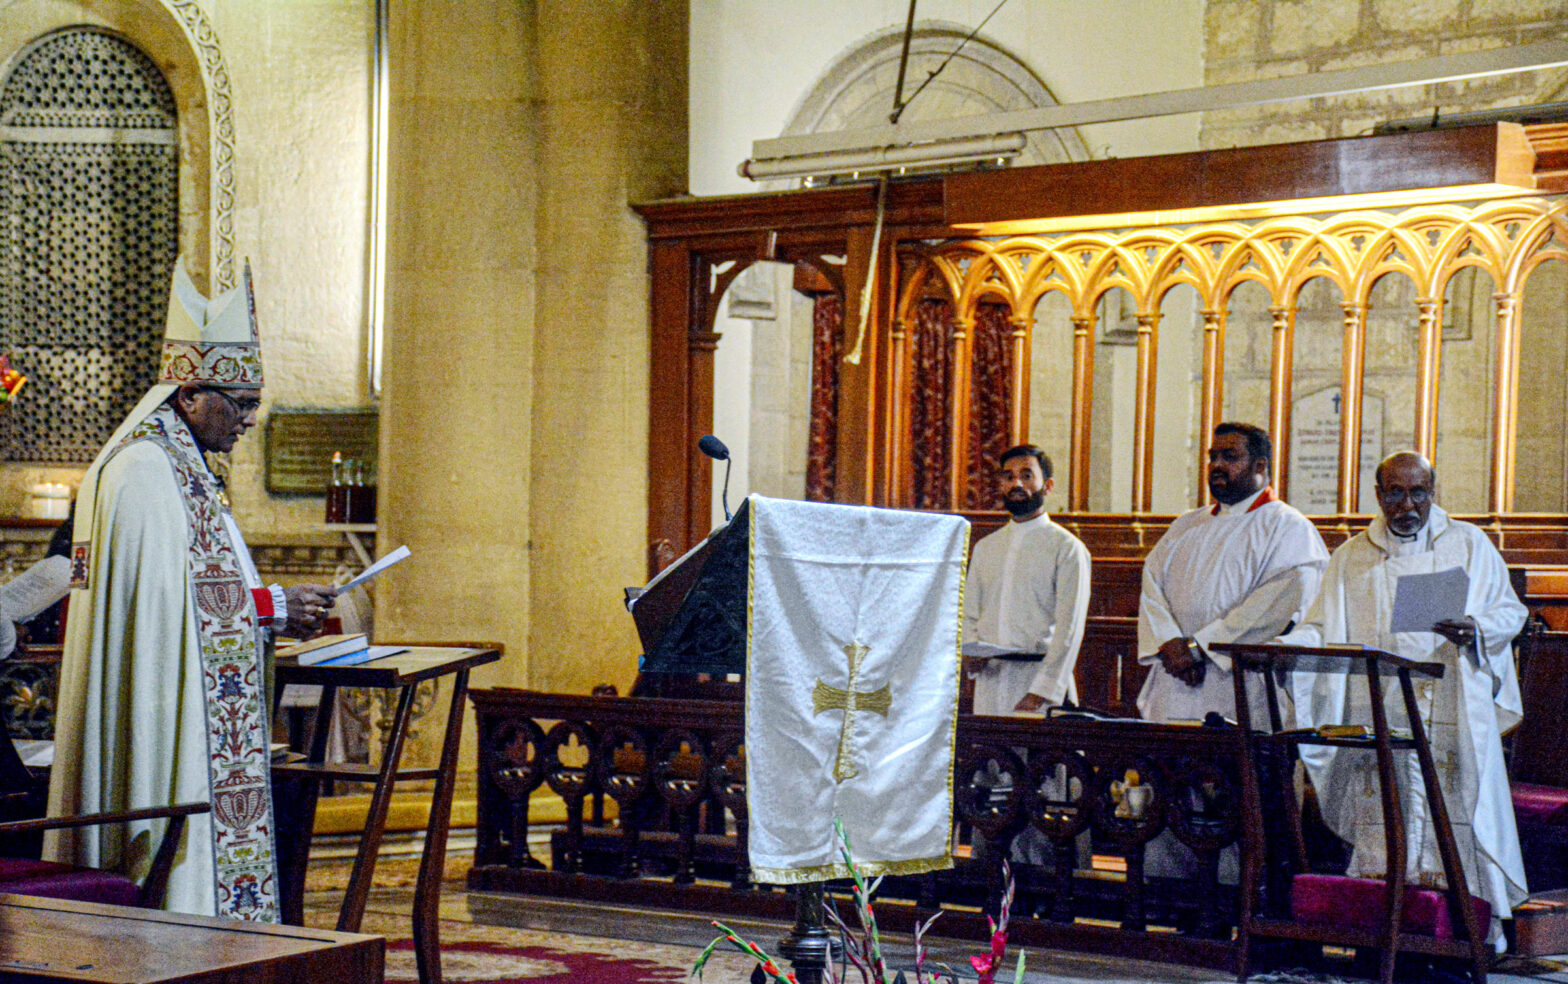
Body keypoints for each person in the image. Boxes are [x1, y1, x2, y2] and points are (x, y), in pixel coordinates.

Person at [47, 261, 337, 921]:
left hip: (187, 716)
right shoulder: (143, 474)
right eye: (238, 405)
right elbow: (165, 624)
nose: (246, 421)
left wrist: (270, 608)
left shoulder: (188, 469)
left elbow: (197, 602)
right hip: (159, 726)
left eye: (254, 407)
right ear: (188, 395)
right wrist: (278, 607)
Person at [1283, 451, 1527, 945]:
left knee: (1459, 813)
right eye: (1395, 493)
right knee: (1385, 817)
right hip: (1381, 708)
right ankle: (1385, 931)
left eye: (1419, 492)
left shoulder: (1467, 544)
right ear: (1378, 495)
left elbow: (1509, 613)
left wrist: (1475, 628)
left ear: (1433, 493)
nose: (1407, 504)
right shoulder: (1353, 555)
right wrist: (1285, 648)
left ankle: (1468, 933)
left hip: (1452, 708)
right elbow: (1319, 628)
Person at [1136, 422, 1328, 723]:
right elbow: (1152, 588)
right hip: (1174, 678)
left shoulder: (1289, 528)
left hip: (1239, 683)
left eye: (1230, 457)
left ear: (1260, 465)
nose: (1217, 466)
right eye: (1213, 457)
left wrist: (1199, 646)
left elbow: (1274, 605)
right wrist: (1170, 643)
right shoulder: (1185, 526)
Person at [964, 444, 1091, 715]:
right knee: (990, 757)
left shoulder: (1067, 548)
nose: (1016, 484)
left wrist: (1041, 692)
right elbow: (969, 613)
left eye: (1026, 475)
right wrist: (971, 655)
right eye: (1008, 477)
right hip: (991, 680)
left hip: (1038, 682)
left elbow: (1070, 629)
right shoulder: (986, 547)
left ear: (1047, 485)